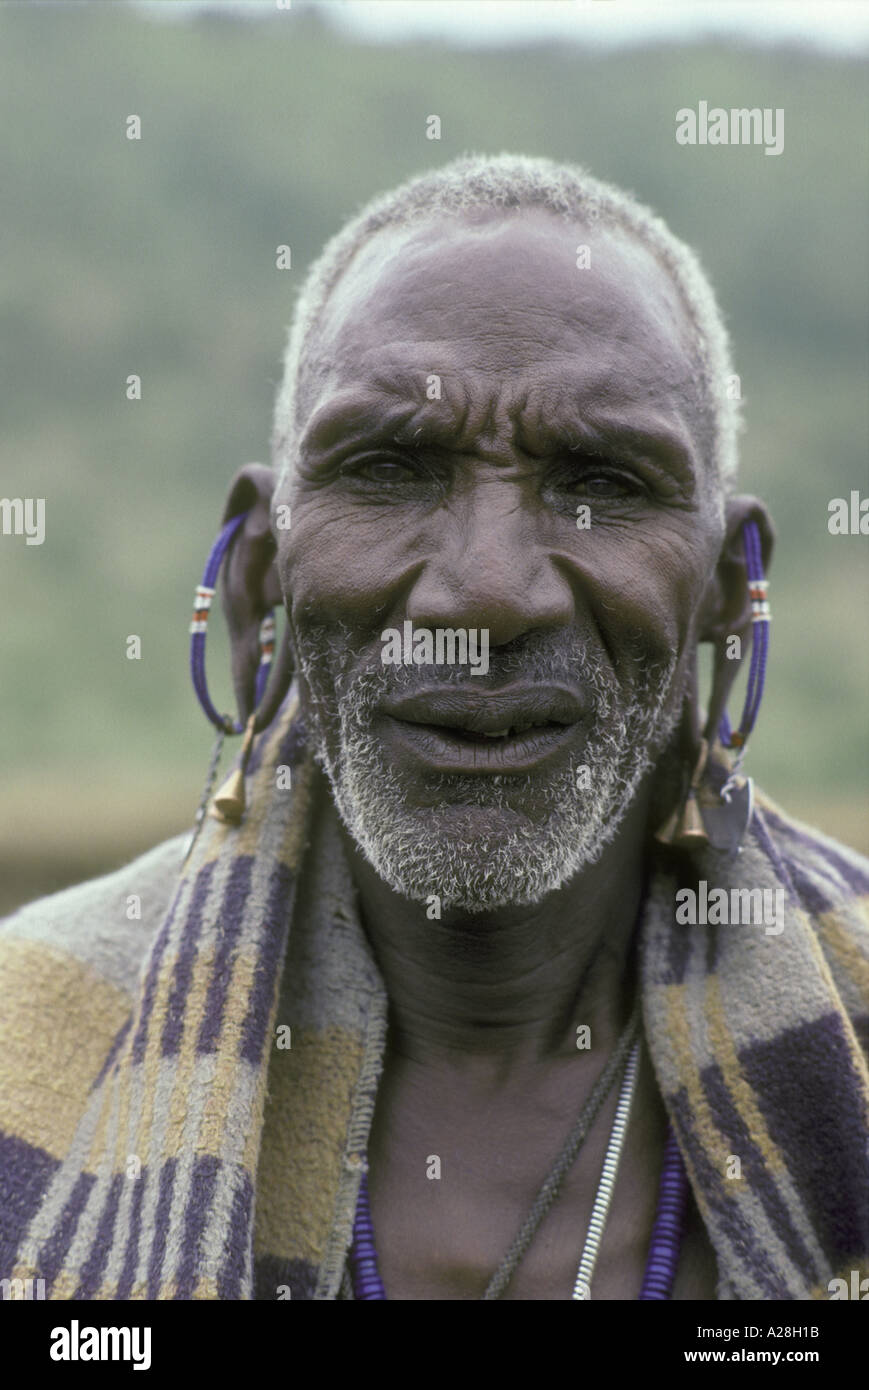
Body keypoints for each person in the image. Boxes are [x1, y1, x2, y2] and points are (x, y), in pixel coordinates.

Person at [1, 153, 867, 1303]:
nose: (486, 595)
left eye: (602, 482)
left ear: (722, 587)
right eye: (391, 470)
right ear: (262, 576)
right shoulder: (25, 1051)